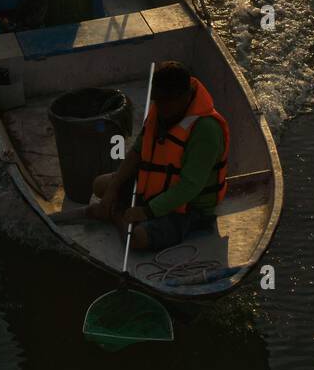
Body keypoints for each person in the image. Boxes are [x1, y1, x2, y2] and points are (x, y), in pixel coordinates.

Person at [87, 60, 229, 251]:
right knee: (100, 185)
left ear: (185, 96)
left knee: (137, 239)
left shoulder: (206, 130)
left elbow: (189, 187)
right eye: (157, 100)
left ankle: (116, 214)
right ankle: (119, 213)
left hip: (188, 207)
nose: (161, 106)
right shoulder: (161, 111)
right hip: (155, 190)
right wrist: (113, 189)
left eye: (167, 101)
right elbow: (137, 152)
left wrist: (146, 212)